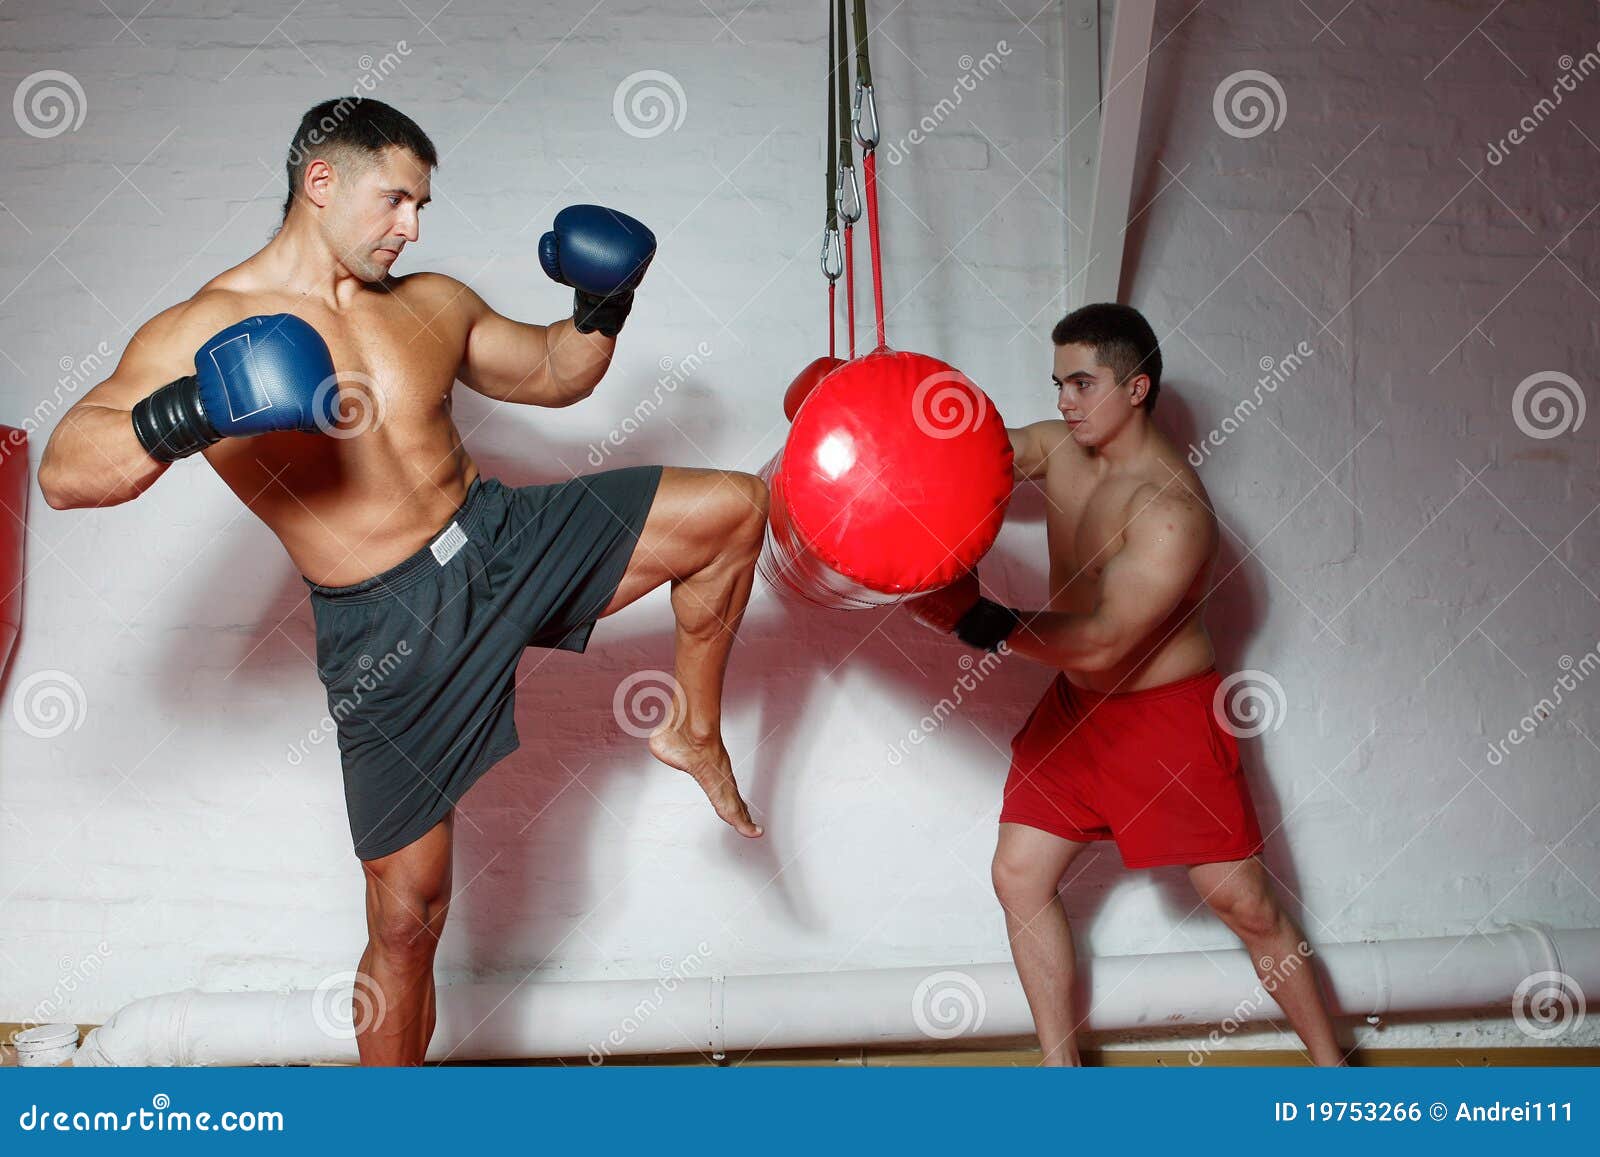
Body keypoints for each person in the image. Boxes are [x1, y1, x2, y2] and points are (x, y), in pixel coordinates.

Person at [38, 97, 767, 1066]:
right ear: (321, 182)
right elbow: (64, 470)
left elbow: (555, 371)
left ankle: (693, 726)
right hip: (388, 627)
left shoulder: (430, 301)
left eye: (421, 205)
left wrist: (604, 302)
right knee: (410, 916)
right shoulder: (207, 324)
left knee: (734, 507)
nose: (411, 227)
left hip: (500, 536)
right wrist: (193, 404)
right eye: (395, 201)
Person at [908, 303, 1346, 1066]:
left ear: (1137, 387)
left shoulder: (1171, 510)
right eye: (1057, 383)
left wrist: (982, 620)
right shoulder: (1057, 449)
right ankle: (1062, 1073)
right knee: (1018, 874)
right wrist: (882, 423)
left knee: (1243, 904)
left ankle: (1335, 1075)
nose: (1063, 401)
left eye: (1082, 383)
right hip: (1077, 715)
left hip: (1162, 722)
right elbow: (969, 455)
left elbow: (1107, 640)